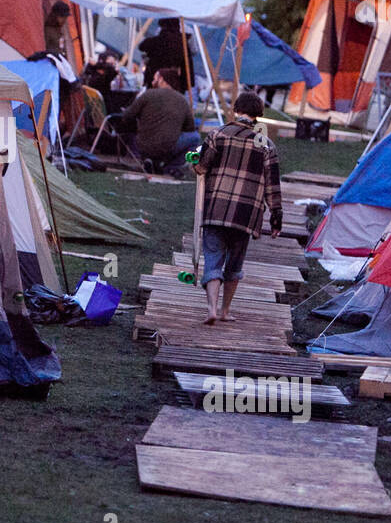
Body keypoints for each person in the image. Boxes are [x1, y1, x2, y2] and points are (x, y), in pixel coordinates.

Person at [193, 91, 282, 325]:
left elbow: (201, 168)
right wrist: (276, 218)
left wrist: (194, 161)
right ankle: (225, 311)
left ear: (235, 110)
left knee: (213, 258)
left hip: (216, 209)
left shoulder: (217, 135)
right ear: (258, 114)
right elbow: (272, 186)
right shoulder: (266, 145)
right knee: (234, 264)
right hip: (246, 215)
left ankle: (211, 308)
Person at [119, 67, 199, 176]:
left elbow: (127, 115)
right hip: (168, 147)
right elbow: (190, 127)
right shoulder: (182, 100)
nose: (153, 81)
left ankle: (151, 161)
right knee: (195, 137)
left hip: (142, 146)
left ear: (161, 79)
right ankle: (170, 167)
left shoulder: (148, 94)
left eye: (155, 78)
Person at [138, 18, 187, 89]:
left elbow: (142, 46)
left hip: (156, 75)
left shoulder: (160, 39)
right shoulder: (182, 42)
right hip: (173, 78)